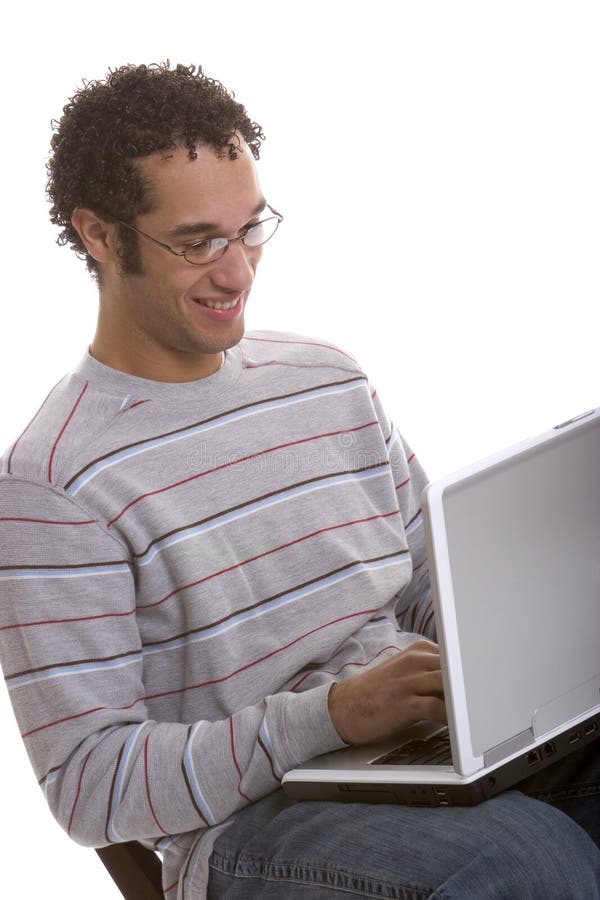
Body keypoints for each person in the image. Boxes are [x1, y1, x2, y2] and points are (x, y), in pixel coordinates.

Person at [0, 62, 597, 900]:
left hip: (419, 746)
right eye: (198, 242)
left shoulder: (326, 380)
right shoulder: (56, 485)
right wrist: (333, 716)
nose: (238, 272)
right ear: (99, 235)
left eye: (249, 229)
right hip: (255, 821)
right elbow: (90, 785)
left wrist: (528, 643)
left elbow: (427, 590)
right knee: (524, 863)